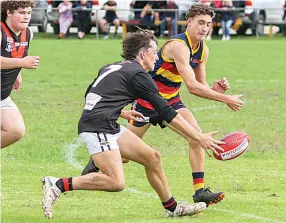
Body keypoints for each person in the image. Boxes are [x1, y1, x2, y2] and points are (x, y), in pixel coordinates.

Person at [42, 29, 226, 219]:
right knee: (116, 183)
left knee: (152, 157)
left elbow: (92, 93)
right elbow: (167, 112)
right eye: (154, 52)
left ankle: (173, 208)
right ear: (143, 53)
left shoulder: (113, 66)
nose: (157, 57)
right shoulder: (139, 75)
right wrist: (199, 137)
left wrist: (120, 112)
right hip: (97, 127)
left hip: (106, 122)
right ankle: (57, 184)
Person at [82, 3, 244, 207]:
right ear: (190, 22)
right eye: (201, 23)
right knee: (125, 156)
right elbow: (193, 87)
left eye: (209, 24)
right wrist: (227, 99)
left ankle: (200, 191)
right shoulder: (178, 46)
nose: (204, 28)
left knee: (196, 138)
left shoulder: (203, 49)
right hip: (148, 101)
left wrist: (216, 90)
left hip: (172, 101)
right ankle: (96, 161)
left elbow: (200, 84)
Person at [1, 0, 40, 149]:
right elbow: (20, 60)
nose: (26, 17)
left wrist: (18, 73)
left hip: (2, 95)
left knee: (15, 130)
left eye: (29, 13)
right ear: (9, 13)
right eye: (21, 13)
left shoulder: (28, 33)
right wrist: (21, 63)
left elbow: (18, 53)